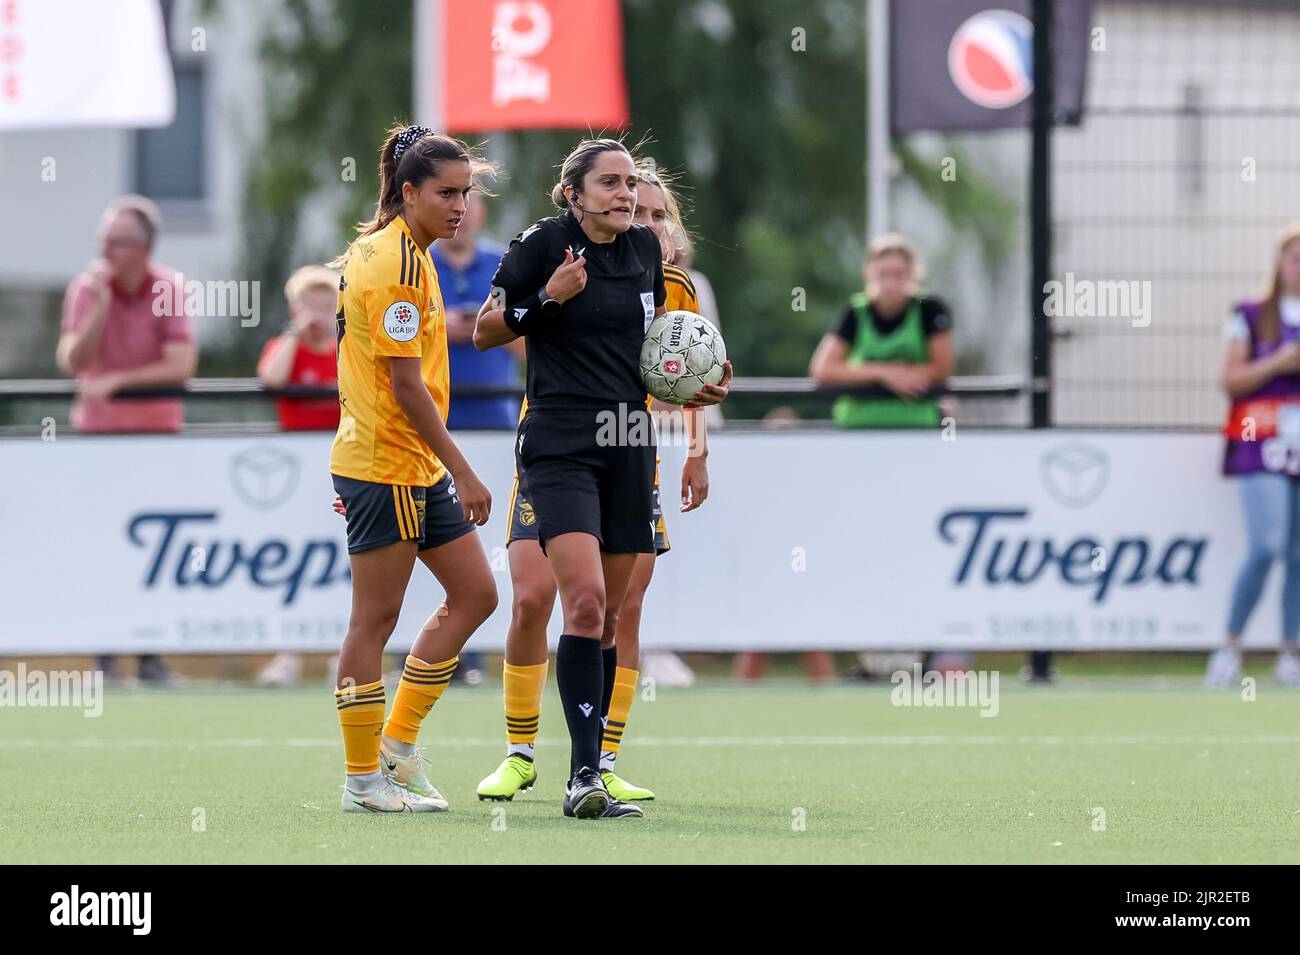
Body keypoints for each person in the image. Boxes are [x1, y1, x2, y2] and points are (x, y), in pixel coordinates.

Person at [473, 138, 731, 819]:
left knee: (615, 612)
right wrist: (547, 300)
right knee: (577, 599)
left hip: (629, 444)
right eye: (611, 184)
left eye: (631, 186)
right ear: (573, 193)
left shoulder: (647, 256)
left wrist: (693, 393)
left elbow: (655, 359)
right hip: (559, 443)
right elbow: (484, 331)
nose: (625, 196)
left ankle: (596, 767)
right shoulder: (540, 246)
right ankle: (562, 769)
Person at [326, 124, 498, 813]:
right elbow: (404, 385)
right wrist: (467, 468)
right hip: (386, 463)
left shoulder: (404, 251)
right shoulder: (396, 261)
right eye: (446, 193)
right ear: (408, 192)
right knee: (373, 620)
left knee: (477, 593)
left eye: (466, 192)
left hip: (411, 463)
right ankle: (362, 780)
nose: (459, 205)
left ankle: (396, 745)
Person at [56, 194, 198, 687]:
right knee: (100, 545)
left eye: (116, 243)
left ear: (144, 247)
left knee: (156, 546)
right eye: (103, 242)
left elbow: (181, 364)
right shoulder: (86, 288)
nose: (106, 252)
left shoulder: (169, 287)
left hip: (155, 437)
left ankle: (151, 656)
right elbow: (74, 361)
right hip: (98, 439)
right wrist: (99, 306)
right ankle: (106, 659)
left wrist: (118, 381)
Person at [1208, 223, 1300, 687]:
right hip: (1261, 445)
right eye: (1296, 258)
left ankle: (1291, 655)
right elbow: (1231, 380)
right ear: (1280, 263)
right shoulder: (1250, 314)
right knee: (1267, 544)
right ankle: (1229, 646)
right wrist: (1279, 362)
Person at [254, 265, 342, 689]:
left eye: (328, 304)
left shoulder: (346, 349)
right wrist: (295, 333)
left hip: (340, 470)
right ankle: (288, 654)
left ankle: (341, 654)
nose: (320, 312)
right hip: (294, 475)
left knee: (344, 563)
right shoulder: (284, 345)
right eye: (312, 304)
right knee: (293, 565)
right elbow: (271, 378)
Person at [809, 233, 953, 428]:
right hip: (858, 429)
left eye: (898, 274)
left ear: (912, 274)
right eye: (883, 274)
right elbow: (822, 369)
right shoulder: (856, 311)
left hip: (918, 430)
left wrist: (863, 374)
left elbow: (942, 369)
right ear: (869, 273)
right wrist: (886, 373)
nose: (890, 284)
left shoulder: (929, 308)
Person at [430, 192, 523, 430]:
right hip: (431, 421)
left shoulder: (506, 263)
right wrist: (437, 329)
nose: (459, 215)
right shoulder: (415, 263)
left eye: (467, 208)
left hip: (497, 418)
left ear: (481, 214)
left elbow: (532, 346)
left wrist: (490, 329)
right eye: (450, 205)